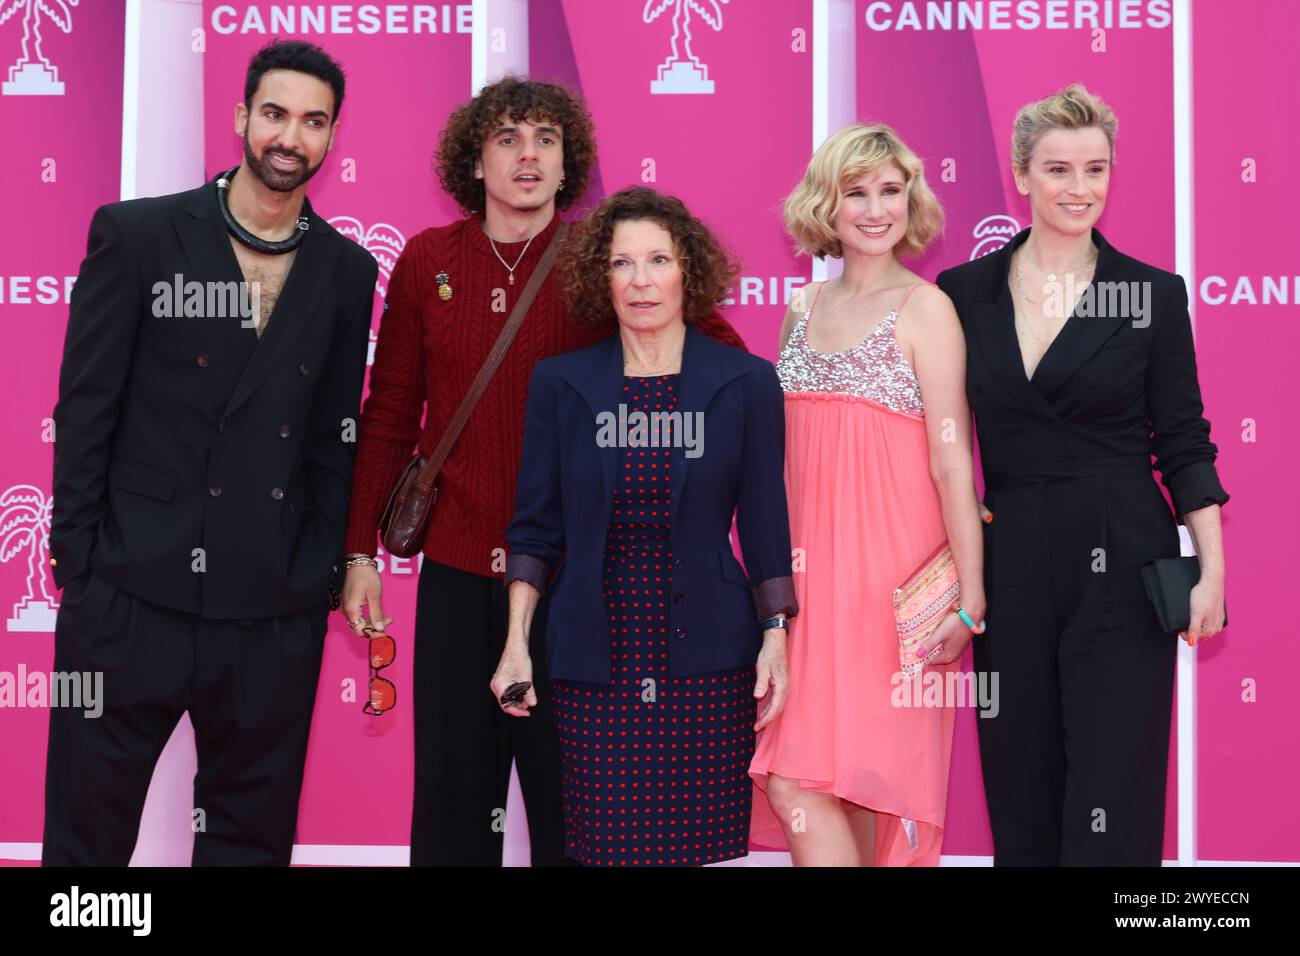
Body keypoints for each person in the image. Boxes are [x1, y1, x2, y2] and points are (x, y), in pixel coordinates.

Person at [340, 78, 745, 866]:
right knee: (456, 807)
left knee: (579, 812)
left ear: (569, 164)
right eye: (507, 138)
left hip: (580, 583)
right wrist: (360, 554)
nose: (528, 155)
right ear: (474, 160)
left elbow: (723, 368)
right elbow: (389, 415)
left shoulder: (603, 258)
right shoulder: (429, 262)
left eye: (546, 140)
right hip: (459, 574)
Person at [44, 40, 377, 865]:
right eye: (275, 113)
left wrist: (321, 574)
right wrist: (78, 569)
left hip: (269, 609)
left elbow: (336, 436)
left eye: (313, 120)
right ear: (241, 118)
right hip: (129, 596)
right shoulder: (139, 235)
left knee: (248, 844)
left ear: (333, 138)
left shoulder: (345, 270)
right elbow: (85, 412)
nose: (289, 136)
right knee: (87, 841)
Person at [935, 84, 1229, 866]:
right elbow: (939, 444)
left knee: (1114, 781)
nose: (1079, 188)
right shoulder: (963, 293)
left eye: (1095, 169)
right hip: (1013, 557)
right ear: (1020, 175)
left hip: (1122, 554)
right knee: (1021, 779)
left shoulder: (1153, 294)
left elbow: (1185, 442)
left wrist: (1212, 572)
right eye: (1058, 169)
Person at [494, 186, 797, 867]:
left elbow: (766, 524)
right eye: (622, 263)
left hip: (709, 658)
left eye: (657, 260)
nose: (640, 281)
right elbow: (535, 530)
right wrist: (517, 643)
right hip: (593, 654)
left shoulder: (745, 382)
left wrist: (776, 635)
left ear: (688, 269)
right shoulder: (561, 384)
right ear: (600, 278)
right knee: (604, 846)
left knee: (694, 850)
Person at [748, 125, 986, 866]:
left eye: (891, 191)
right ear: (829, 203)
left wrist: (971, 600)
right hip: (805, 590)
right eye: (857, 192)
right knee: (805, 784)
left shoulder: (927, 309)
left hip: (890, 589)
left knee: (858, 788)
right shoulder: (801, 307)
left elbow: (953, 464)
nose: (876, 209)